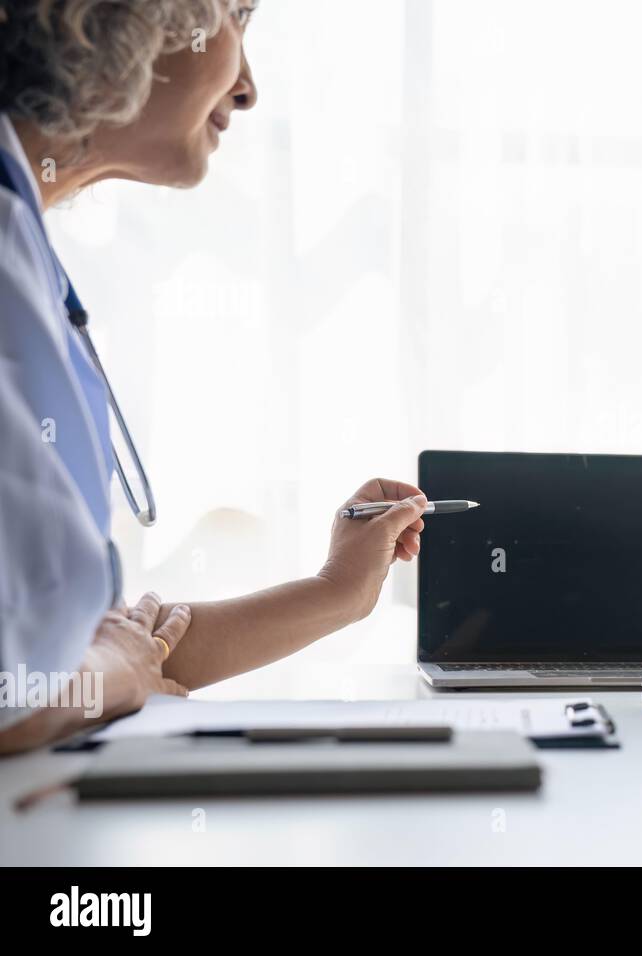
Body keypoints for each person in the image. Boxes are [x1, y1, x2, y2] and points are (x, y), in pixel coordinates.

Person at [0, 0, 427, 753]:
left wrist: (337, 593)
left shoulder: (25, 256)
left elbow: (97, 647)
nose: (248, 86)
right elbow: (33, 690)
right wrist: (112, 672)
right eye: (234, 16)